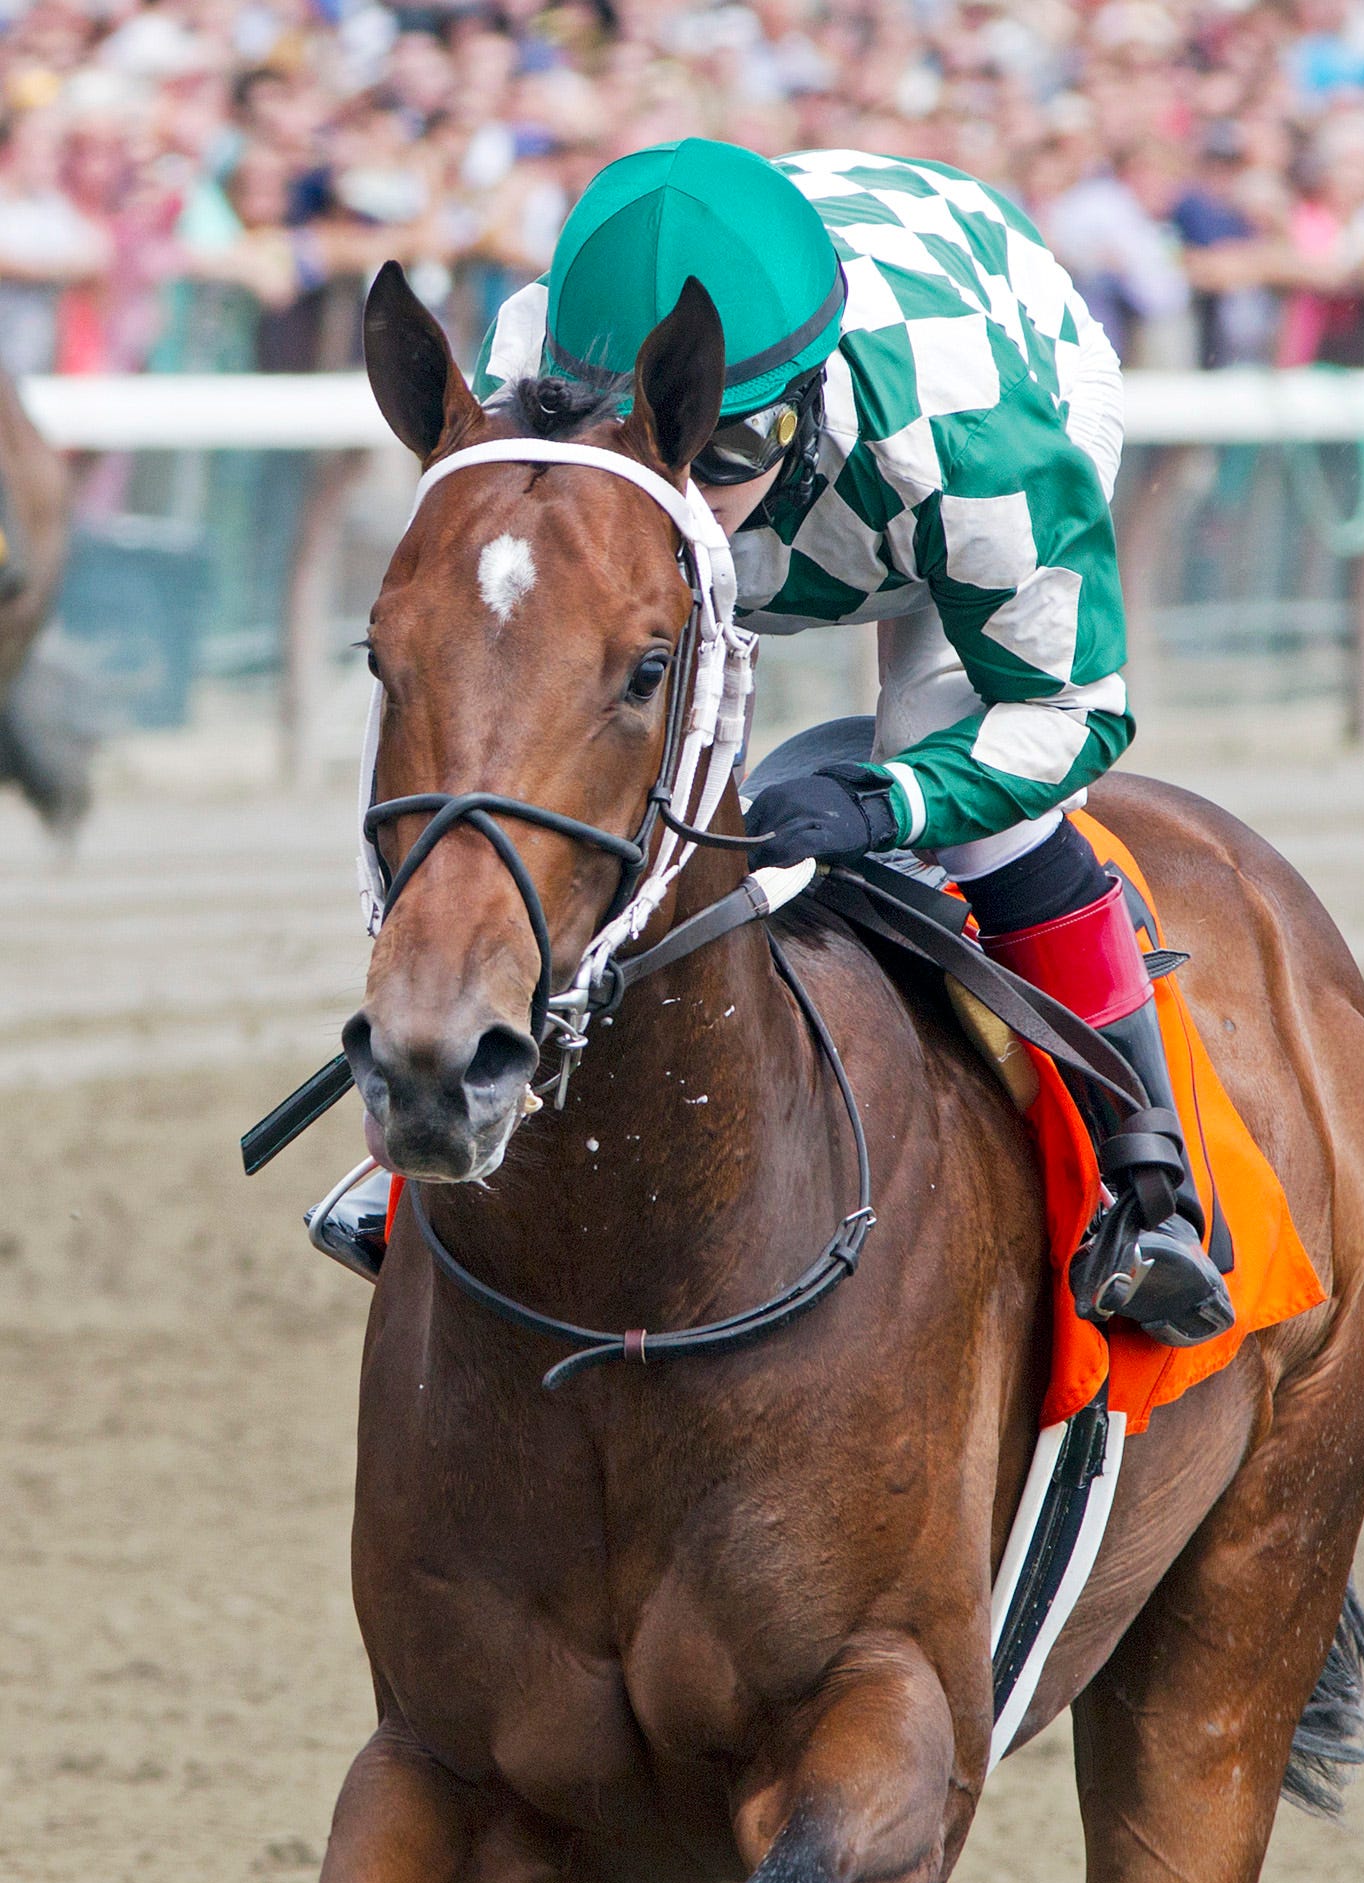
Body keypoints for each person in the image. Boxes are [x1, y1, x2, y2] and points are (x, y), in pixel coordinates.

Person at [324, 137, 1233, 1351]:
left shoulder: (974, 448)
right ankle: (421, 1108)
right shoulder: (538, 363)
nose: (697, 501)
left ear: (795, 413)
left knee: (967, 790)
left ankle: (1145, 1179)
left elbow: (1075, 710)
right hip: (730, 295)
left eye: (728, 454)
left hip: (990, 348)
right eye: (671, 446)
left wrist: (887, 803)